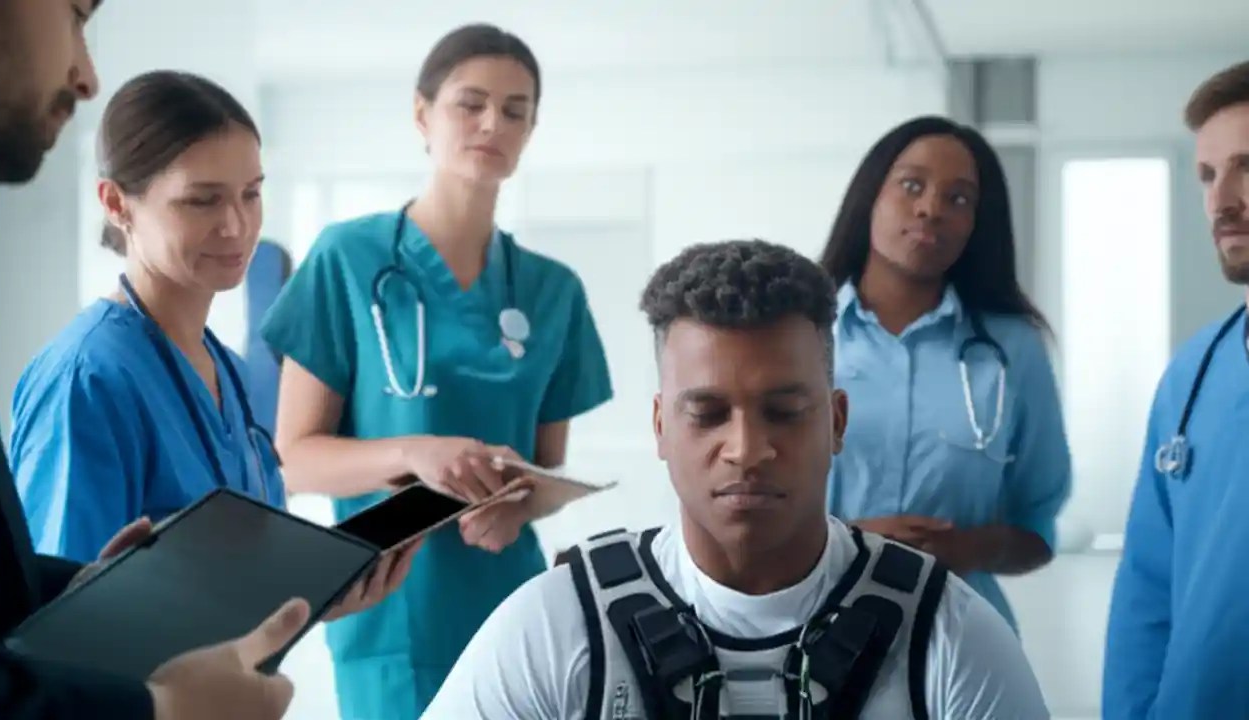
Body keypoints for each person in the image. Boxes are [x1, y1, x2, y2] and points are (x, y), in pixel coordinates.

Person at [422, 239, 1050, 719]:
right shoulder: (555, 625)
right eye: (707, 414)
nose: (747, 450)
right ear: (662, 427)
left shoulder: (948, 636)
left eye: (783, 412)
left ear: (835, 422)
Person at [0, 1, 321, 718]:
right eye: (201, 201)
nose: (236, 226)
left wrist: (317, 595)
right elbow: (46, 645)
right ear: (117, 204)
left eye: (252, 195)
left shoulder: (227, 372)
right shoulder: (89, 377)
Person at [259, 23, 614, 719]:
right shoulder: (347, 259)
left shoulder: (554, 291)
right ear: (422, 114)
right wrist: (413, 452)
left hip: (513, 598)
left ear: (532, 129)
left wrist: (521, 504)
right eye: (470, 102)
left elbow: (547, 473)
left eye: (516, 110)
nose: (493, 123)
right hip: (392, 605)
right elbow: (293, 461)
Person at [818, 116, 1071, 630]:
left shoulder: (1013, 350)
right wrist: (846, 542)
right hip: (817, 631)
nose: (931, 208)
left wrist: (969, 546)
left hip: (962, 636)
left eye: (959, 199)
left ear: (978, 224)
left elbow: (1036, 532)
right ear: (871, 194)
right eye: (912, 185)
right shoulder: (800, 337)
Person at [1102, 60, 1249, 718]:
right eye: (1209, 176)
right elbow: (1146, 596)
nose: (1222, 201)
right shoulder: (1192, 376)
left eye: (1248, 167)